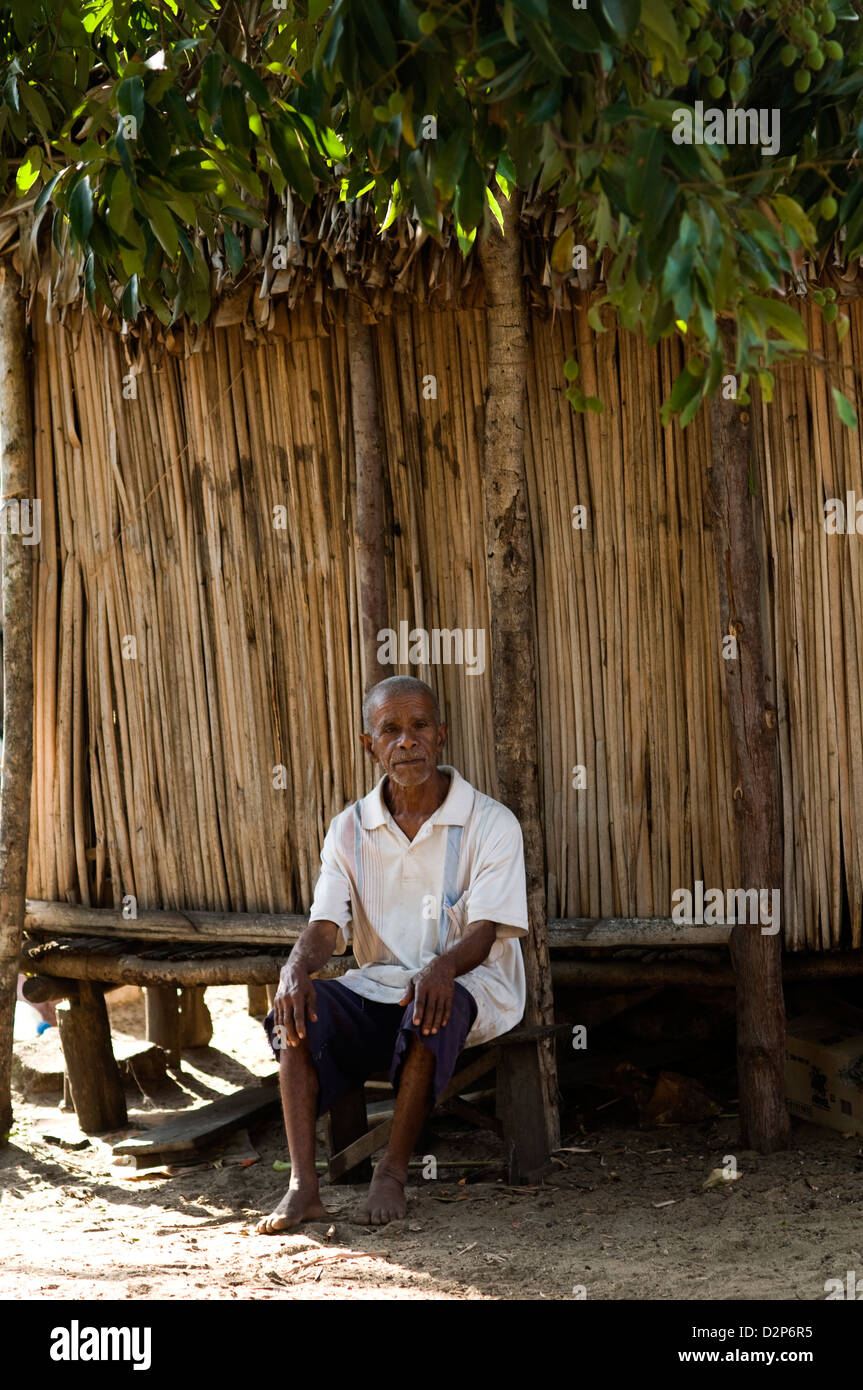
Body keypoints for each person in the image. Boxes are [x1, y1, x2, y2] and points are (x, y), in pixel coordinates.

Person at [257, 674, 529, 1231]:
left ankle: (392, 1174)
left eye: (419, 727)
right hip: (380, 983)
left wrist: (442, 967)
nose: (407, 741)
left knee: (435, 1003)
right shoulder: (349, 829)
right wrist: (294, 969)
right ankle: (303, 1186)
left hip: (473, 985)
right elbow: (326, 927)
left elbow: (482, 933)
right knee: (295, 1011)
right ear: (370, 745)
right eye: (391, 730)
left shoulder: (490, 822)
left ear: (441, 736)